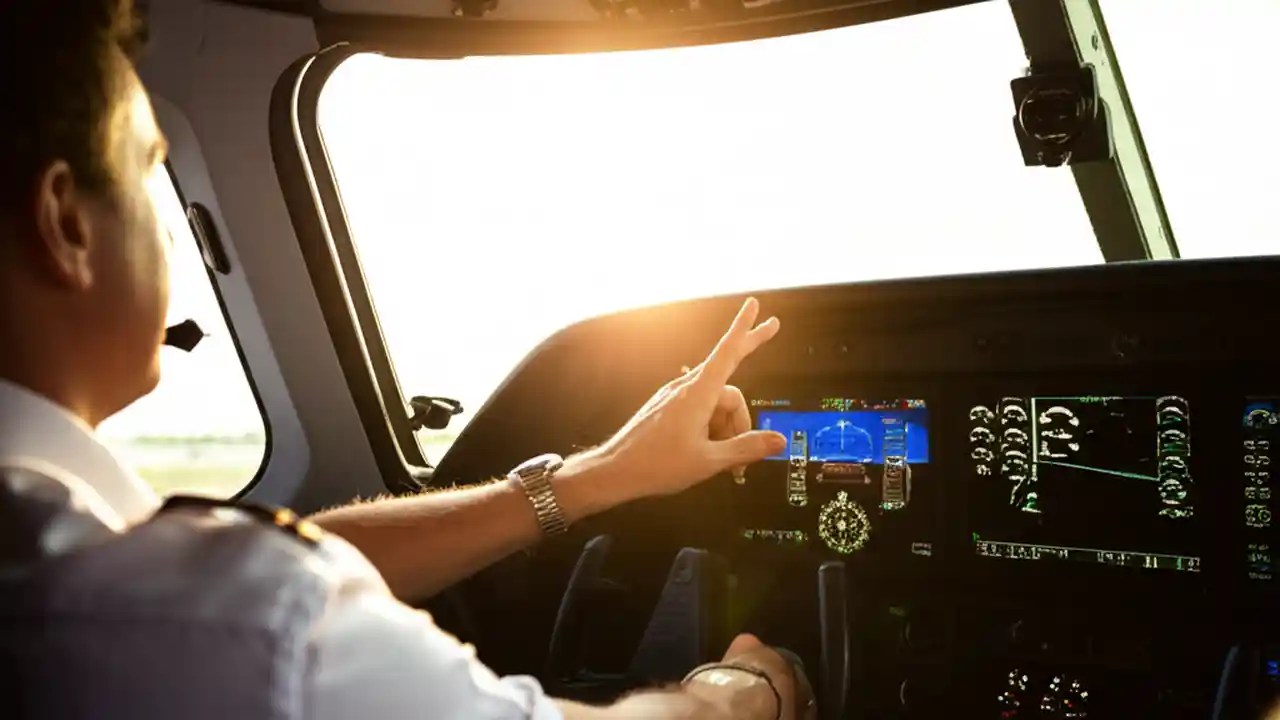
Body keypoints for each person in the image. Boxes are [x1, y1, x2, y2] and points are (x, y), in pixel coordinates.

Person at [0, 1, 814, 718]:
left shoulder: (96, 562)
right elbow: (257, 604)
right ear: (66, 223)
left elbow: (285, 559)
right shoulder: (226, 623)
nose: (170, 232)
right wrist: (748, 691)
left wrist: (594, 478)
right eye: (153, 172)